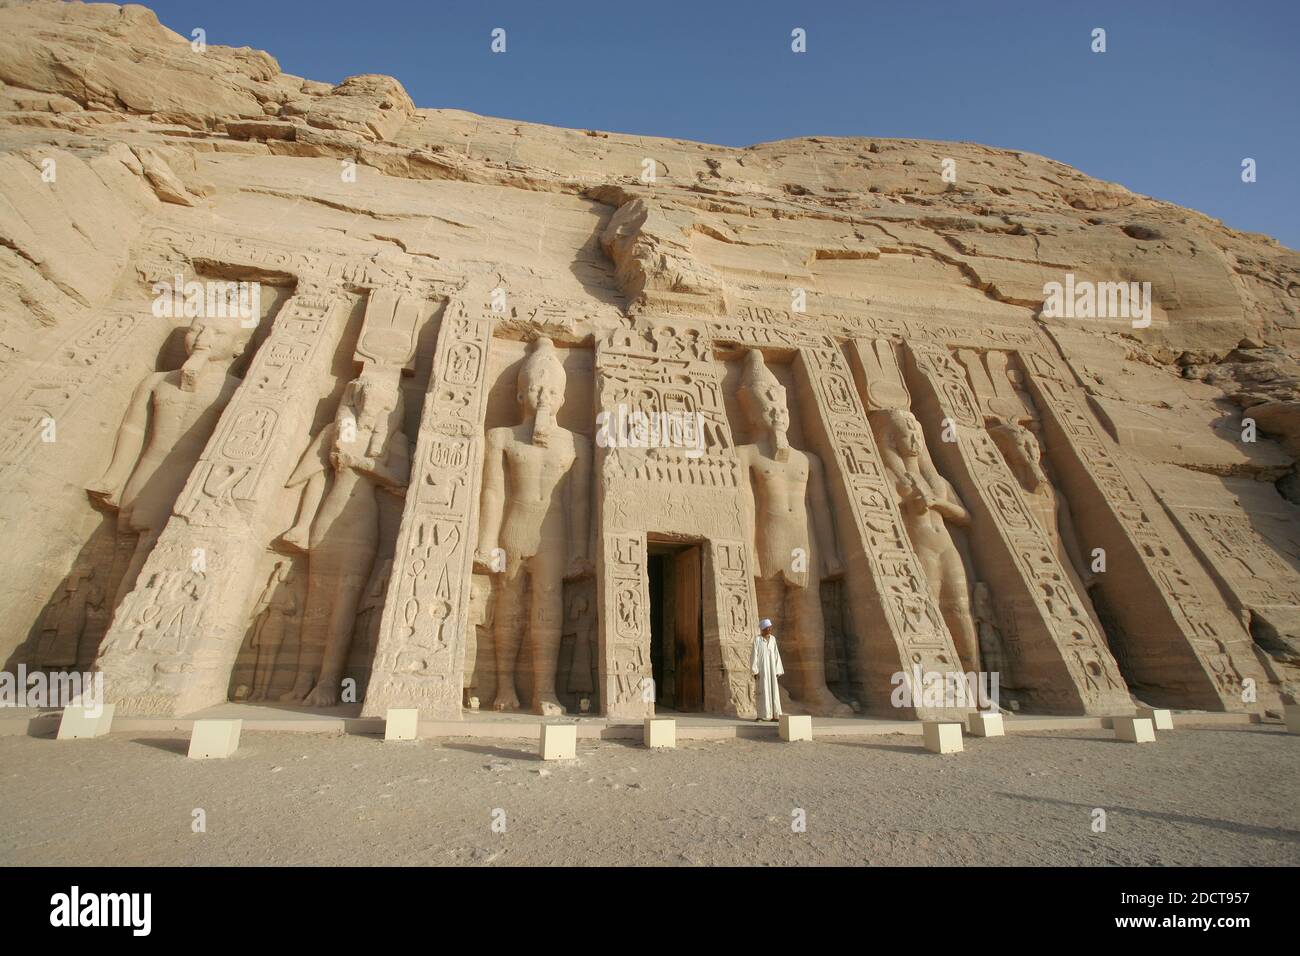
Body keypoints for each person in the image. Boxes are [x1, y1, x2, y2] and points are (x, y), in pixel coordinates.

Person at [751, 618, 785, 722]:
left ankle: (775, 715)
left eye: (770, 627)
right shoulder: (757, 640)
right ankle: (761, 715)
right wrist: (755, 670)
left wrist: (778, 669)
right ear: (763, 629)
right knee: (762, 692)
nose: (770, 629)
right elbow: (754, 656)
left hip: (772, 670)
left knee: (774, 692)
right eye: (767, 628)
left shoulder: (773, 639)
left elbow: (776, 654)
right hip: (762, 670)